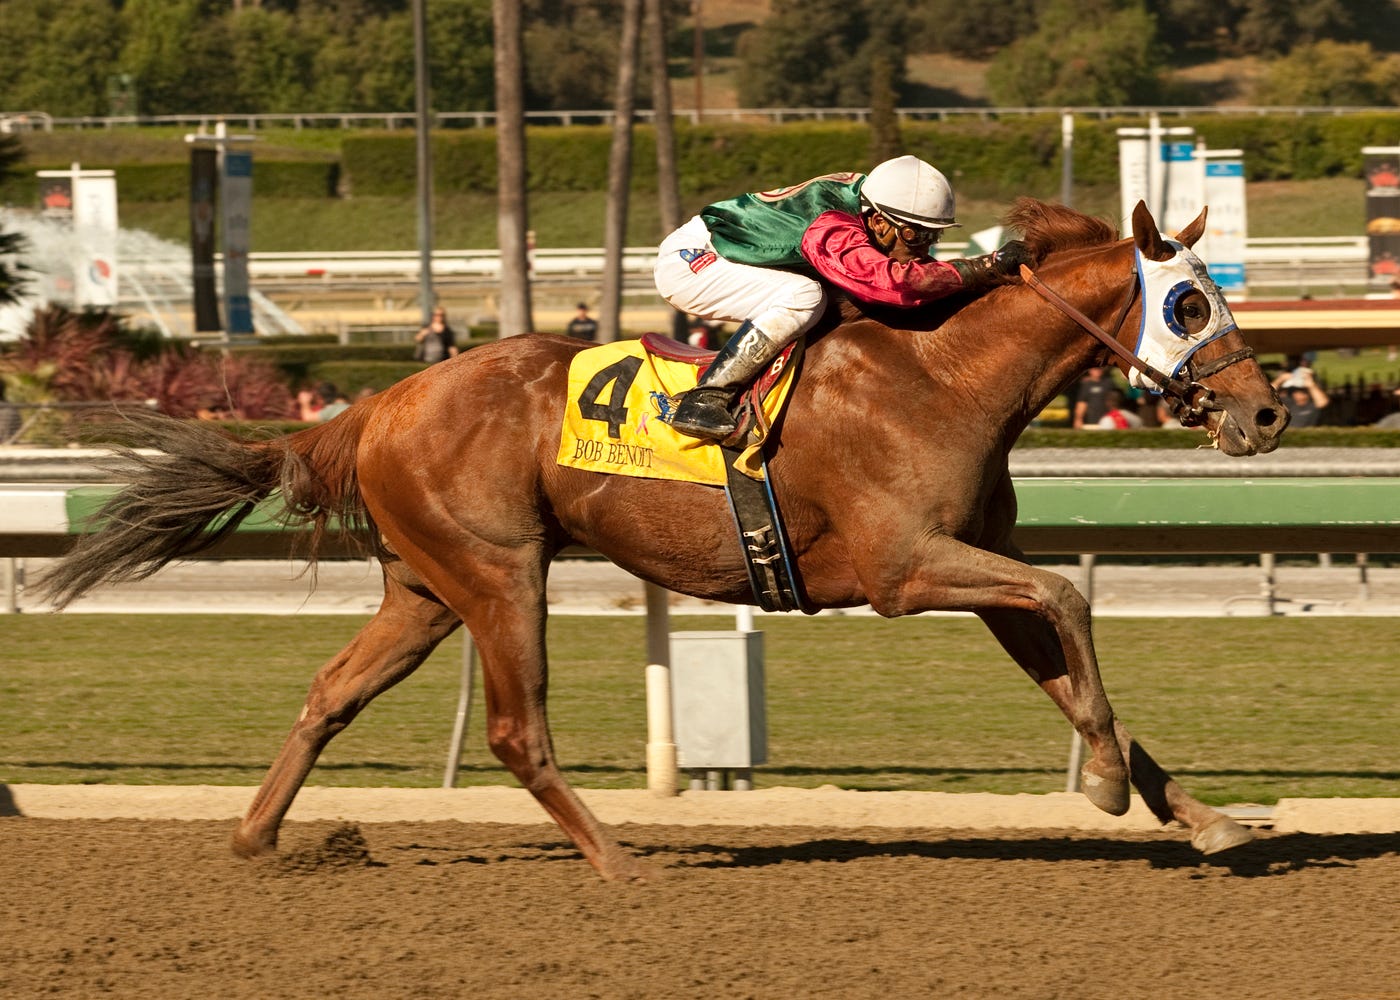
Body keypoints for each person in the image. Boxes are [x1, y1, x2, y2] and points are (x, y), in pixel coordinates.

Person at [652, 154, 1032, 440]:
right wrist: (984, 267)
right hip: (695, 260)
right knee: (805, 295)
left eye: (933, 235)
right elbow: (894, 284)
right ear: (879, 221)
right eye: (914, 234)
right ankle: (706, 398)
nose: (923, 247)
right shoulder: (832, 227)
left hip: (731, 253)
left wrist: (982, 275)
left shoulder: (876, 202)